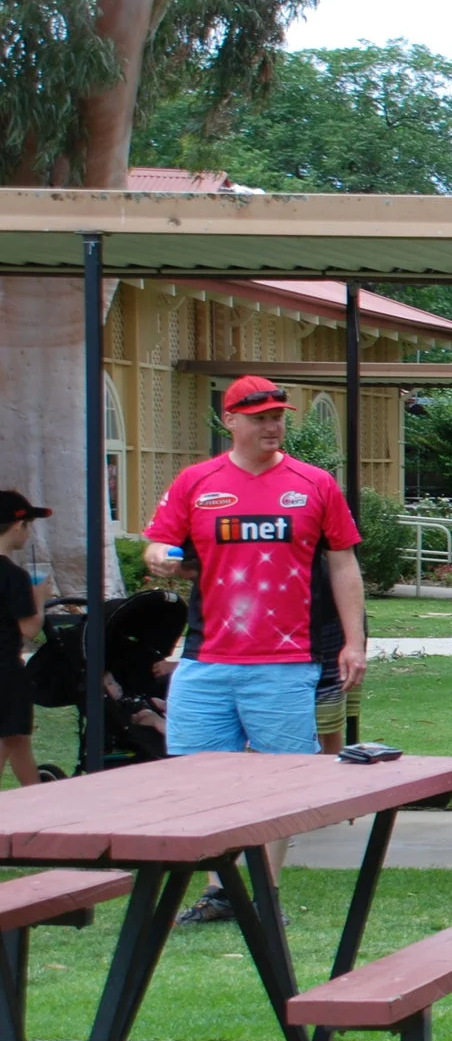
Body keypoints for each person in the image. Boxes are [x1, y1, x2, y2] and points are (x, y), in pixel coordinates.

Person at [142, 376, 365, 924]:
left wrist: (354, 642)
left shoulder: (314, 484)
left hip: (285, 663)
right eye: (260, 417)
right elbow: (159, 541)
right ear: (231, 421)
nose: (272, 426)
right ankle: (222, 892)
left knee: (281, 783)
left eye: (278, 417)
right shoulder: (197, 482)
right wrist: (158, 557)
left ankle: (264, 894)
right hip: (206, 660)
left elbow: (343, 562)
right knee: (198, 780)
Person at [0, 492, 52, 788]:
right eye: (28, 525)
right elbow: (29, 629)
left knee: (19, 738)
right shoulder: (13, 575)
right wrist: (40, 598)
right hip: (6, 669)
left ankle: (37, 799)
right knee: (8, 735)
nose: (28, 532)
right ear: (18, 525)